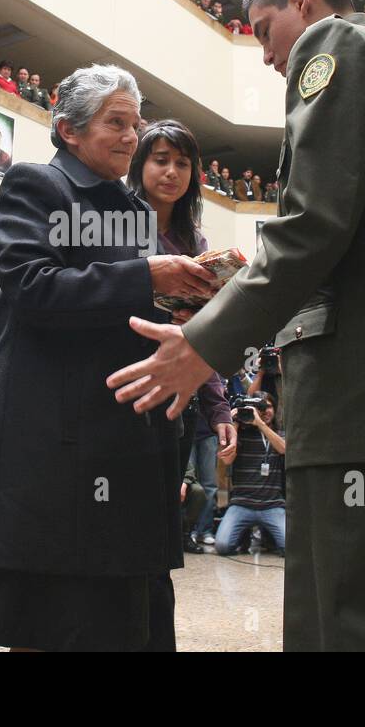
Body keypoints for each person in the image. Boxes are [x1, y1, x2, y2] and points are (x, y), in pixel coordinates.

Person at [106, 0, 365, 651]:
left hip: (363, 395)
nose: (264, 55)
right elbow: (348, 239)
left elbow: (315, 225)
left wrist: (203, 346)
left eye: (262, 30)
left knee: (339, 622)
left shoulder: (334, 46)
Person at [0, 65, 218, 652]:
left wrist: (181, 303)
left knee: (121, 610)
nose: (132, 137)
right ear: (69, 130)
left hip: (128, 434)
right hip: (60, 438)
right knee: (54, 610)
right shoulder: (38, 185)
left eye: (135, 123)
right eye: (116, 123)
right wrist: (145, 274)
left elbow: (124, 303)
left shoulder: (130, 207)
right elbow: (31, 287)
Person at [126, 121, 235, 551]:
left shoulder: (196, 241)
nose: (171, 172)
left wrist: (219, 410)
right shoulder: (113, 226)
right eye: (160, 160)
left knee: (162, 521)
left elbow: (199, 335)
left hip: (179, 398)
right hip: (128, 383)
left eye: (182, 163)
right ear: (140, 164)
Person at [214, 393, 285, 555]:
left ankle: (267, 536)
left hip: (272, 504)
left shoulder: (278, 433)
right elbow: (226, 460)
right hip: (242, 504)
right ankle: (246, 536)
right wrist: (233, 424)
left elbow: (284, 449)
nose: (264, 411)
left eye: (268, 407)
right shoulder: (241, 435)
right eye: (259, 408)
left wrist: (260, 424)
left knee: (291, 547)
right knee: (223, 547)